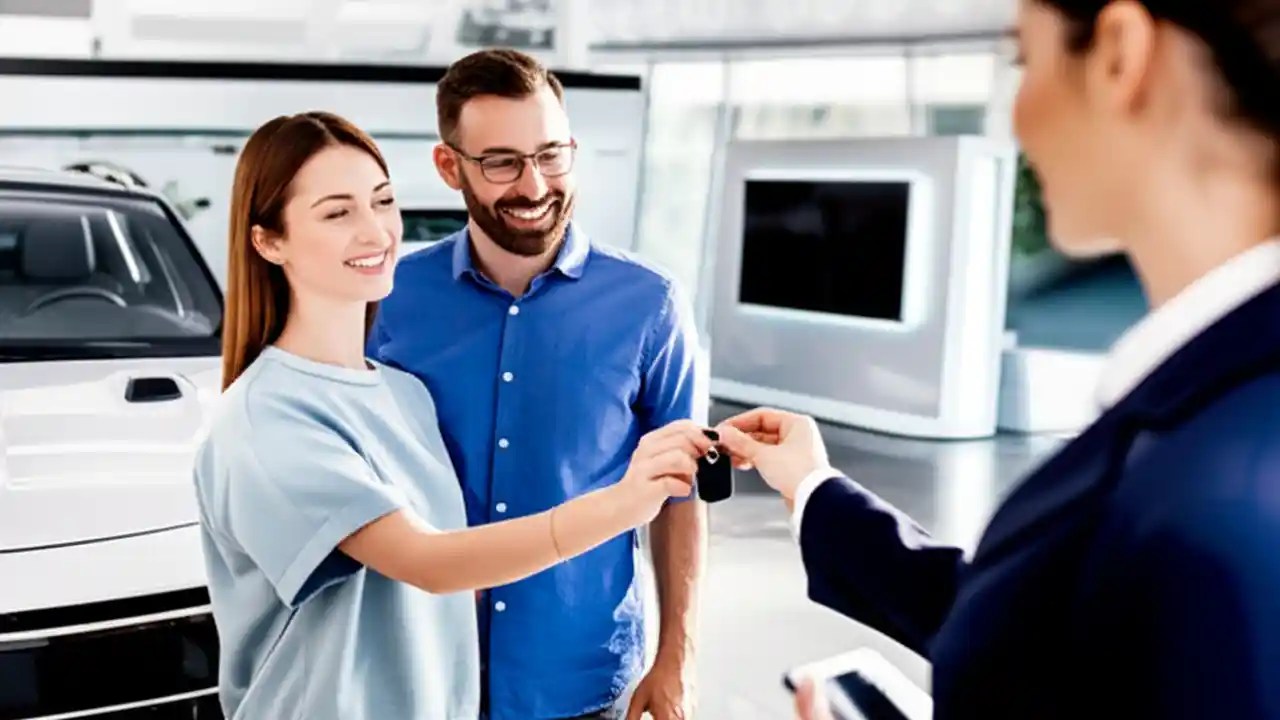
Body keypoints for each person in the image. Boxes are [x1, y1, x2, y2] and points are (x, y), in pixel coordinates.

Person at [715, 0, 1280, 718]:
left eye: (1025, 61)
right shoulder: (1219, 405)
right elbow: (1062, 637)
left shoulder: (1217, 489)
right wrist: (813, 488)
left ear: (1119, 56)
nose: (1016, 117)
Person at [192, 111, 714, 720]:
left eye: (382, 201)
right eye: (337, 213)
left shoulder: (403, 394)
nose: (375, 231)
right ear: (268, 241)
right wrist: (625, 502)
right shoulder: (264, 419)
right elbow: (429, 563)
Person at [368, 49, 708, 720]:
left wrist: (678, 655)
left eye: (551, 155)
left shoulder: (650, 305)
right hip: (419, 674)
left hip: (581, 681)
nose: (533, 185)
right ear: (449, 167)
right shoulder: (388, 300)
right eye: (501, 162)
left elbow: (682, 494)